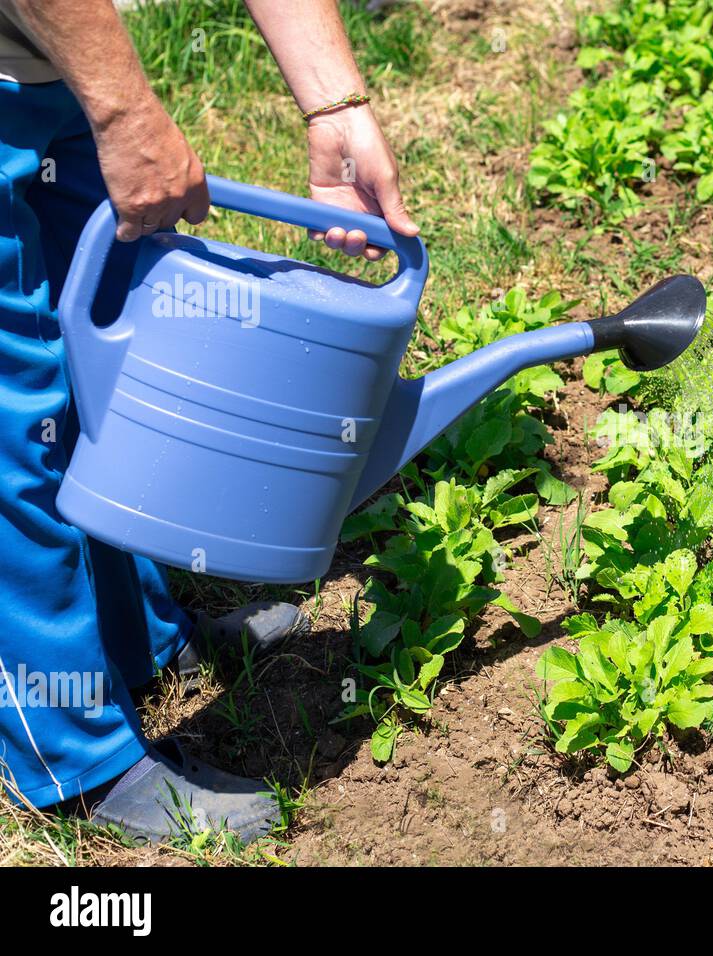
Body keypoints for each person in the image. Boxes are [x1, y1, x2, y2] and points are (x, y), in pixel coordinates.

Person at [0, 0, 418, 843]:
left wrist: (335, 107)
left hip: (45, 48)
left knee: (108, 344)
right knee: (16, 406)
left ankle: (135, 640)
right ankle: (73, 755)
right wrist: (123, 109)